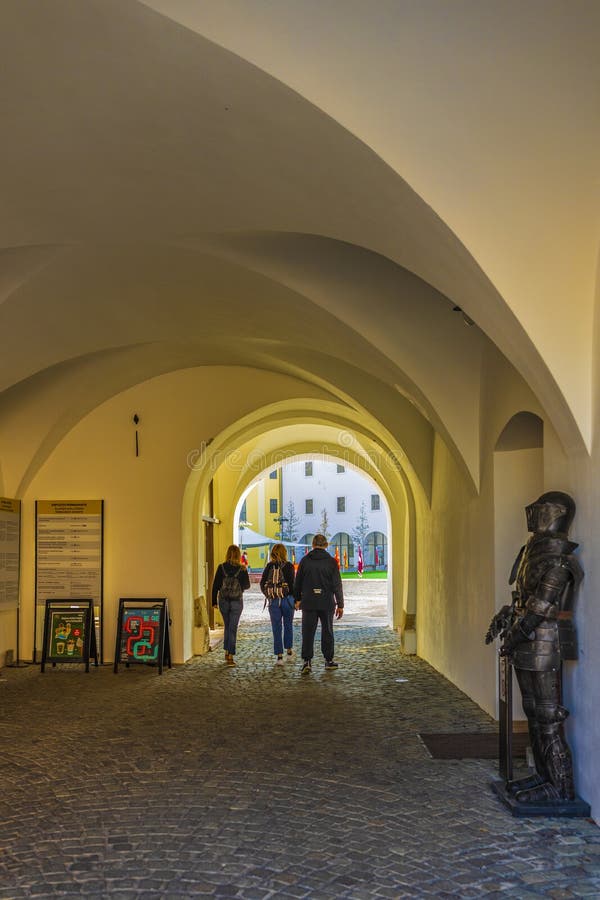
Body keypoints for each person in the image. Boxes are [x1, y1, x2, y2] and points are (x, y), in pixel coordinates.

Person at [485, 491, 583, 803]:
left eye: (541, 510)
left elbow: (541, 606)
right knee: (532, 711)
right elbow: (524, 600)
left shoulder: (559, 561)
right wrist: (509, 616)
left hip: (545, 642)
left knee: (548, 715)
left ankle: (561, 787)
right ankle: (543, 775)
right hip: (527, 643)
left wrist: (515, 634)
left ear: (554, 515)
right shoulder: (532, 553)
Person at [294, 534, 344, 674]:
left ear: (313, 544)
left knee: (307, 632)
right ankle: (328, 660)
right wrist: (340, 604)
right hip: (327, 601)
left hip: (309, 601)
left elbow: (297, 582)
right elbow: (337, 585)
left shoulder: (305, 561)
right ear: (326, 545)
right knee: (327, 631)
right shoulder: (331, 562)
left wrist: (297, 599)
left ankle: (307, 661)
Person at [212, 544, 251, 667]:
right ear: (238, 555)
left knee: (227, 626)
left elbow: (215, 585)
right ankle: (230, 655)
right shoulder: (242, 569)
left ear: (227, 554)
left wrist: (213, 601)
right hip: (236, 601)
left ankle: (227, 650)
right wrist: (239, 586)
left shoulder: (221, 567)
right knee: (232, 628)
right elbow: (247, 585)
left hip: (223, 601)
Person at [260, 543, 296, 665]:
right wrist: (295, 599)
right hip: (287, 600)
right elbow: (292, 584)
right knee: (288, 625)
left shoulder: (269, 566)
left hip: (273, 601)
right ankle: (289, 651)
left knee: (276, 627)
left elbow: (262, 583)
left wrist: (268, 594)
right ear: (284, 553)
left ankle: (279, 657)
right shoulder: (289, 566)